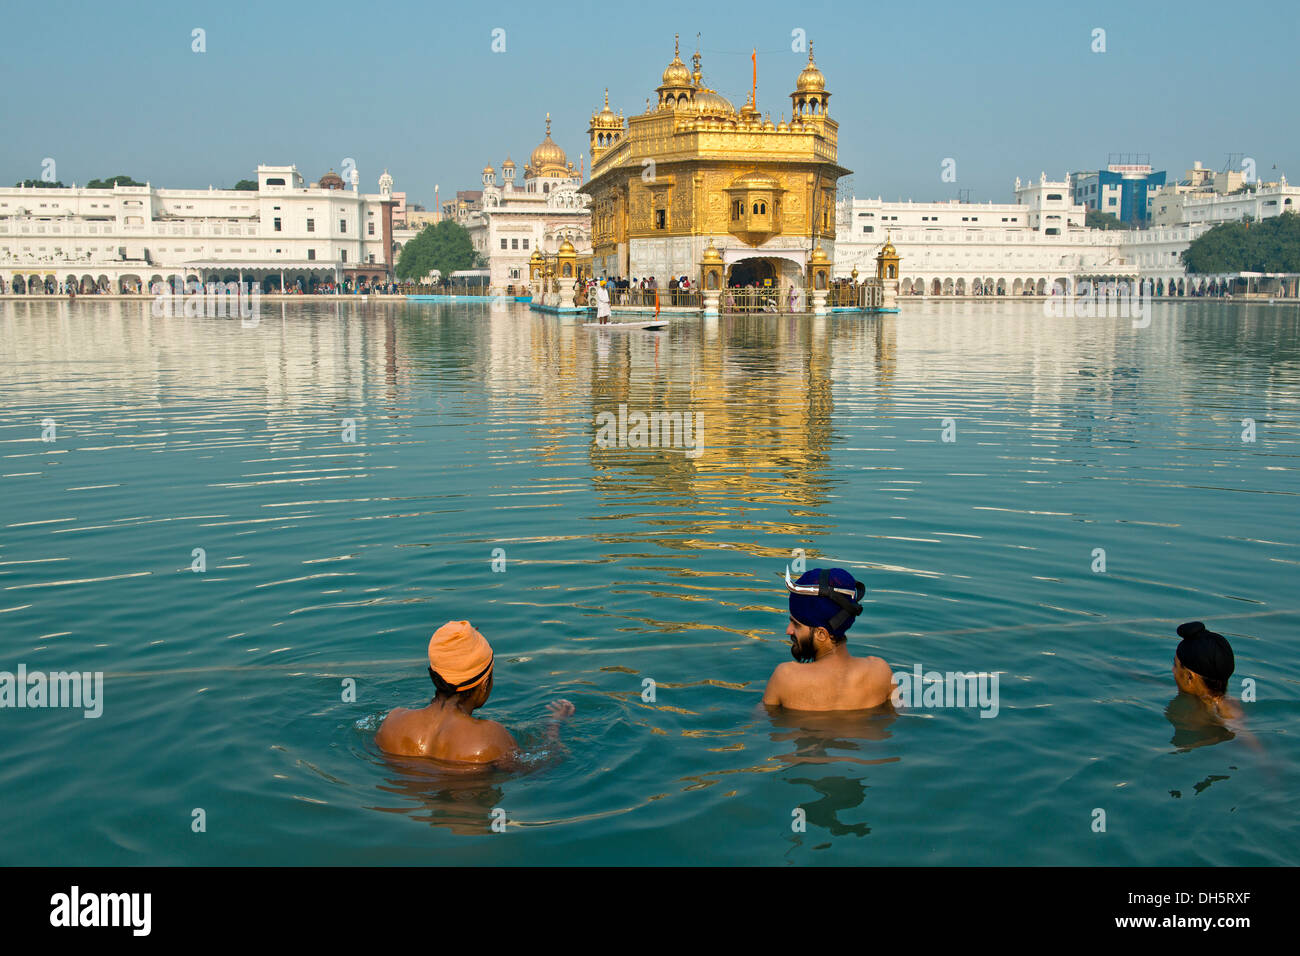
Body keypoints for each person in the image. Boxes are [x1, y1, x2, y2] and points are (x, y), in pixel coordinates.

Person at [375, 620, 574, 765]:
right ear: (484, 682)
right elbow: (541, 769)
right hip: (465, 816)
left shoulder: (392, 722)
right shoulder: (490, 738)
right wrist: (554, 726)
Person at [762, 568, 895, 711]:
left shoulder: (786, 677)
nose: (788, 630)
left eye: (796, 624)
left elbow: (760, 722)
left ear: (821, 634)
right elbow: (899, 716)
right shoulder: (881, 672)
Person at [1173, 621, 1242, 720]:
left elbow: (1242, 732)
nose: (1173, 671)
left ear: (1189, 677)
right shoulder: (1229, 703)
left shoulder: (1213, 716)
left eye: (1175, 666)